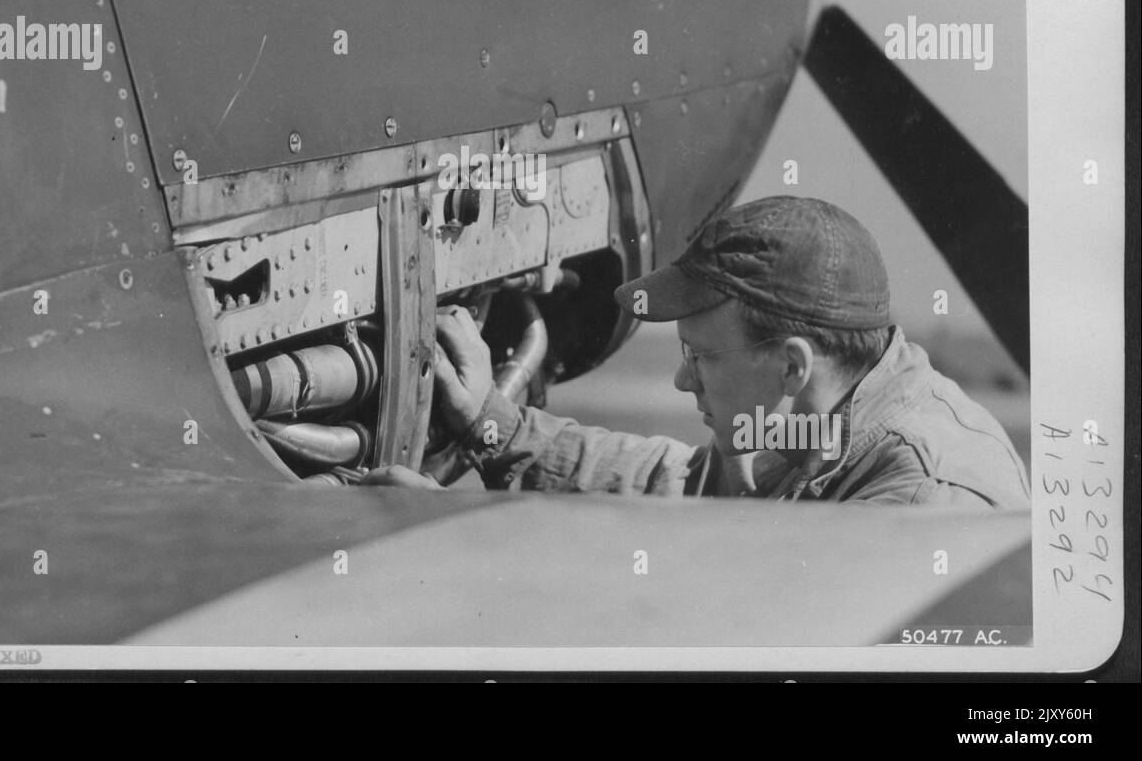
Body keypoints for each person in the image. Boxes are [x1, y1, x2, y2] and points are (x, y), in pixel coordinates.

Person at [369, 195, 1030, 509]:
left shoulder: (924, 500)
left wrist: (460, 549)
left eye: (702, 356)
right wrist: (492, 423)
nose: (684, 380)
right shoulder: (810, 420)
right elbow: (686, 485)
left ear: (793, 365)